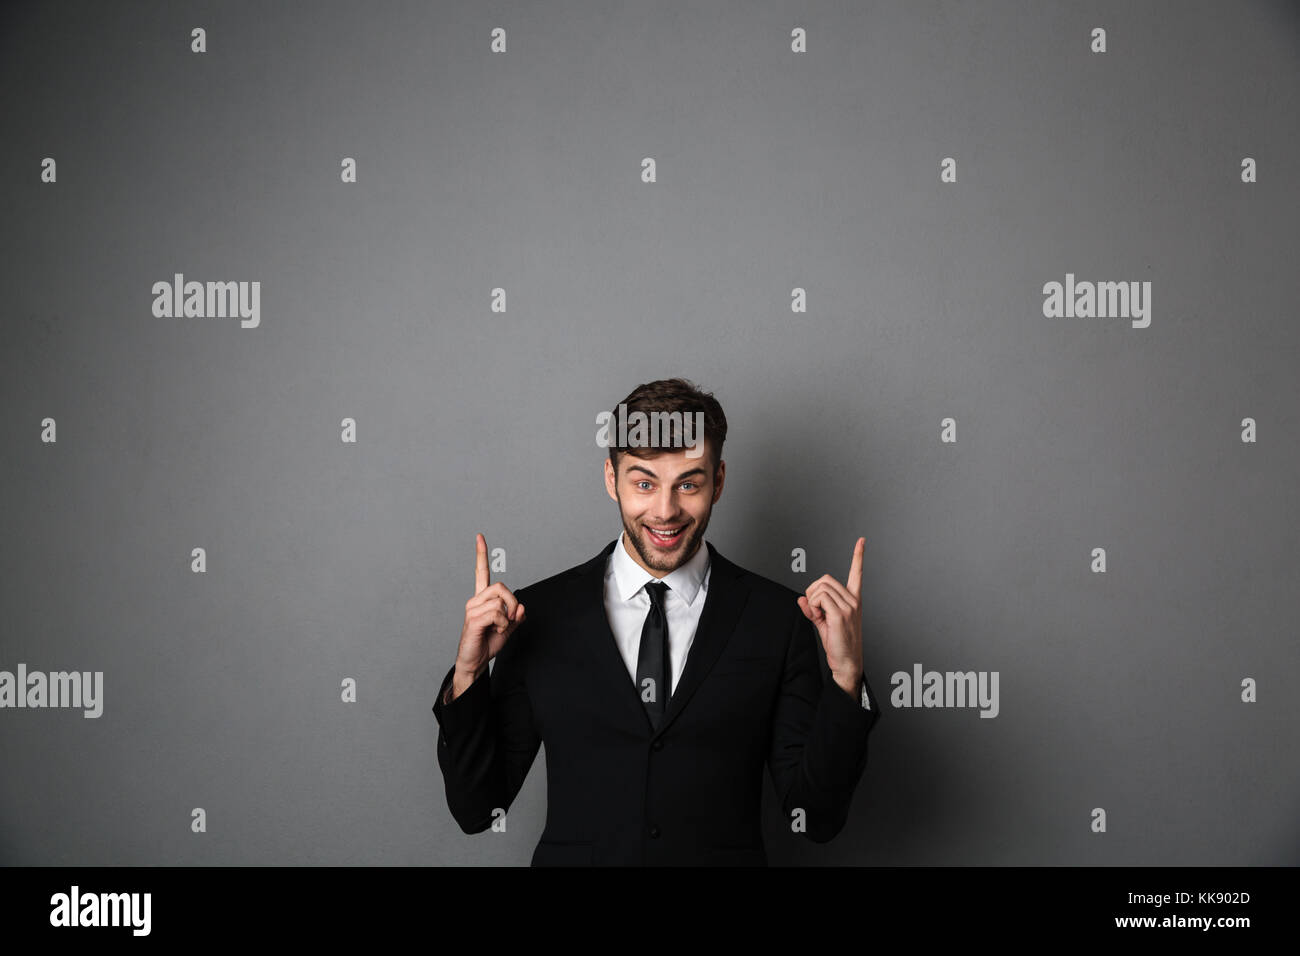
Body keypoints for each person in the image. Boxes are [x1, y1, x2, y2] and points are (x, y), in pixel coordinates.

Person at [432, 378, 880, 865]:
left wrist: (845, 680)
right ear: (611, 479)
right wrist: (468, 675)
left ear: (720, 480)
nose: (665, 511)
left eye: (688, 483)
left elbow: (816, 819)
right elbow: (478, 809)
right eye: (644, 483)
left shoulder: (778, 619)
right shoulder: (536, 615)